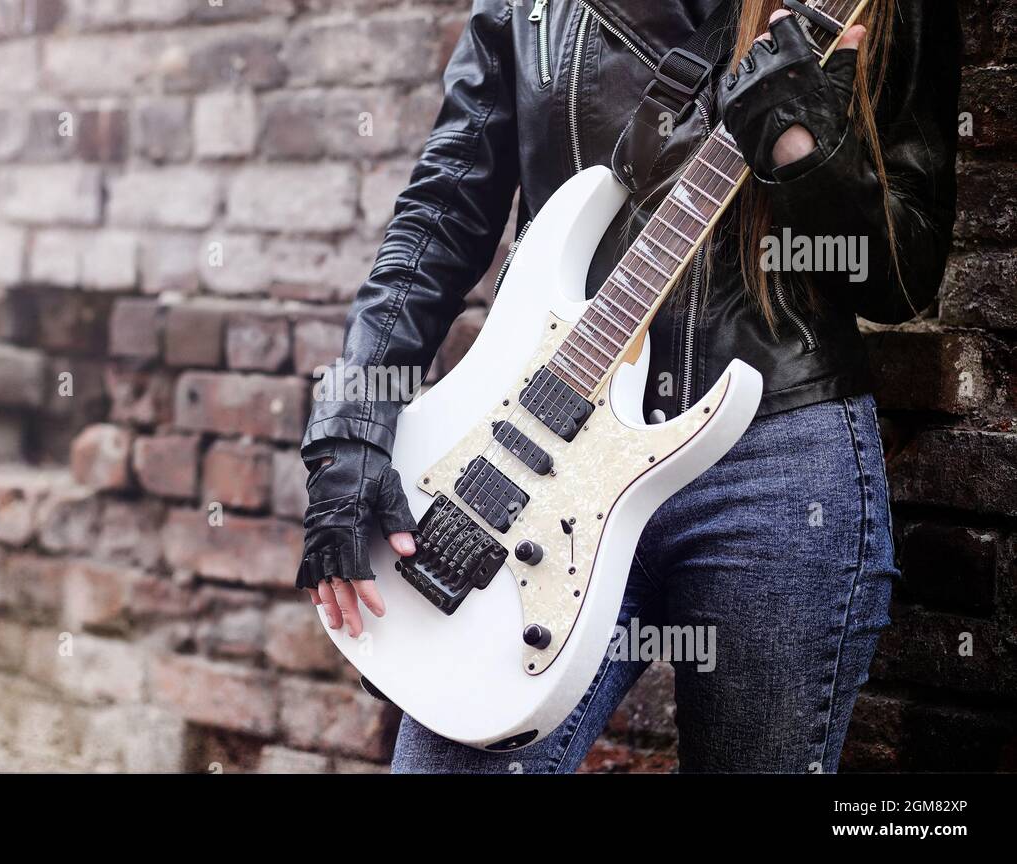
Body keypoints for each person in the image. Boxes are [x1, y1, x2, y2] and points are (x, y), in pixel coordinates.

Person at [295, 0, 960, 773]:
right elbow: (444, 210)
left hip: (774, 469)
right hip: (538, 457)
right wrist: (351, 419)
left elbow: (903, 275)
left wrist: (798, 137)